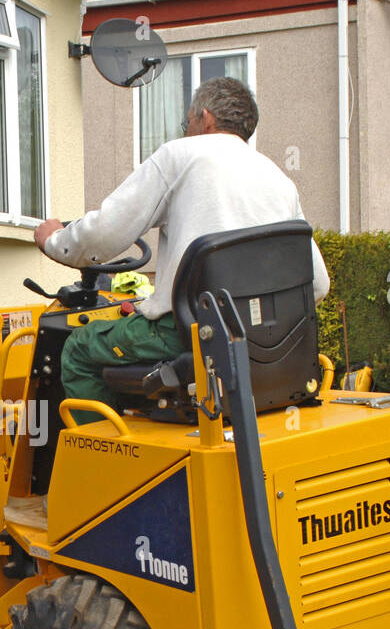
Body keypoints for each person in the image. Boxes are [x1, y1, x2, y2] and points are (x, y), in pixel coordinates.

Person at [34, 77, 330, 414]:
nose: (185, 130)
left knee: (77, 350)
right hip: (263, 345)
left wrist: (56, 240)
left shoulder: (181, 155)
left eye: (185, 123)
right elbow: (318, 284)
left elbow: (102, 236)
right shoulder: (280, 180)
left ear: (204, 118)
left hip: (189, 334)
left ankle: (102, 457)